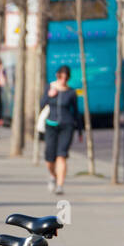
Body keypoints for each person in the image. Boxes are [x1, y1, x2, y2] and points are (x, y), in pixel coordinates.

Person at [40, 65, 82, 194]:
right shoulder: (50, 88)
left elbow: (76, 112)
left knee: (62, 155)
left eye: (65, 77)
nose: (63, 80)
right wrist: (49, 95)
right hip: (51, 125)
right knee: (49, 158)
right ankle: (53, 175)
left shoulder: (71, 92)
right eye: (61, 77)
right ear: (57, 76)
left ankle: (60, 185)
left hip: (67, 126)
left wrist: (80, 130)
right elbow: (41, 104)